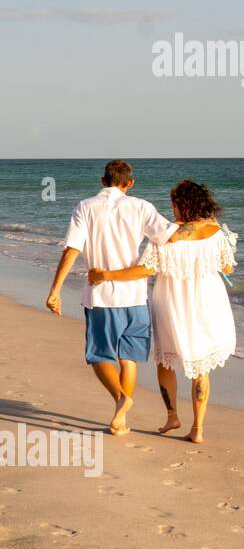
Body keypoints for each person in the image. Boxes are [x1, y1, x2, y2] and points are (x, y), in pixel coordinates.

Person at [88, 180, 237, 444]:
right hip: (209, 302)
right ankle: (198, 429)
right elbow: (228, 269)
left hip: (173, 302)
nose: (172, 208)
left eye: (174, 203)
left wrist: (106, 275)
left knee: (166, 360)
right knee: (201, 366)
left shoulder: (167, 234)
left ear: (182, 204)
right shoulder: (217, 232)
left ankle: (172, 415)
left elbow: (146, 269)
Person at [46, 160, 179, 435]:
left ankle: (121, 399)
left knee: (98, 356)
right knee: (128, 359)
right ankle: (121, 421)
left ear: (103, 180)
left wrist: (55, 290)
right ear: (130, 183)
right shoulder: (141, 206)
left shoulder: (85, 206)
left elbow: (72, 249)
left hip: (101, 298)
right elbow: (171, 237)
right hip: (136, 296)